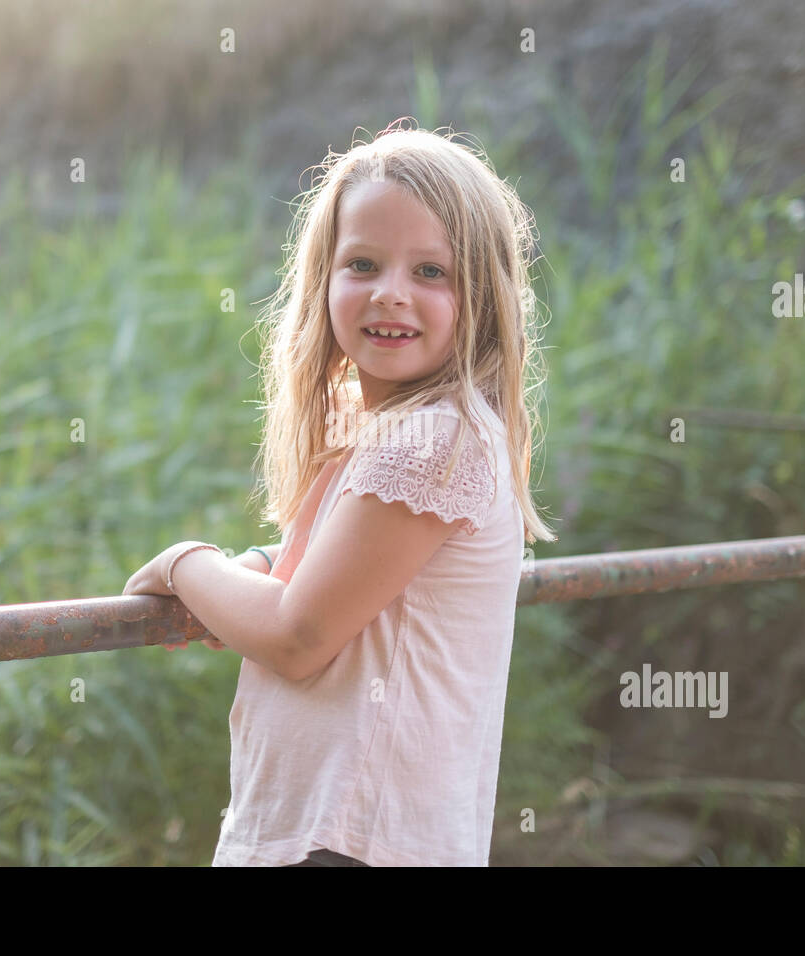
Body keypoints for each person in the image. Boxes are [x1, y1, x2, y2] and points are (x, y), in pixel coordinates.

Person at [122, 118, 557, 866]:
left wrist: (182, 565)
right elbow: (341, 580)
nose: (391, 294)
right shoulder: (385, 431)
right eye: (363, 264)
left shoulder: (431, 440)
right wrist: (260, 562)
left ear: (483, 292)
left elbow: (297, 635)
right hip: (339, 833)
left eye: (431, 272)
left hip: (352, 840)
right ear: (323, 279)